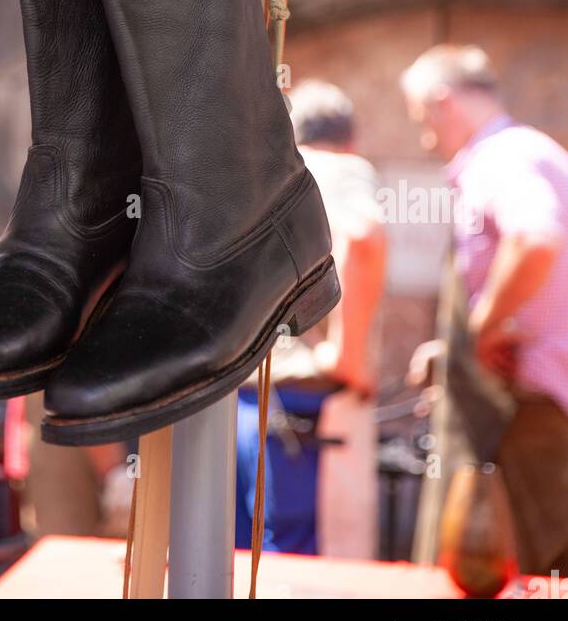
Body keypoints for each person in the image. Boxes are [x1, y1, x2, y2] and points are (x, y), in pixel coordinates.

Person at [401, 44, 568, 575]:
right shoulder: (533, 153)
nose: (427, 138)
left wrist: (483, 327)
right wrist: (453, 346)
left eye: (423, 120)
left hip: (526, 420)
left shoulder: (502, 159)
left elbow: (537, 240)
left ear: (443, 100)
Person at [236, 80, 386, 558]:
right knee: (304, 571)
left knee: (237, 562)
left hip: (247, 398)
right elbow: (363, 238)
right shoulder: (342, 169)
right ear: (352, 139)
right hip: (308, 411)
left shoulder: (266, 174)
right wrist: (350, 357)